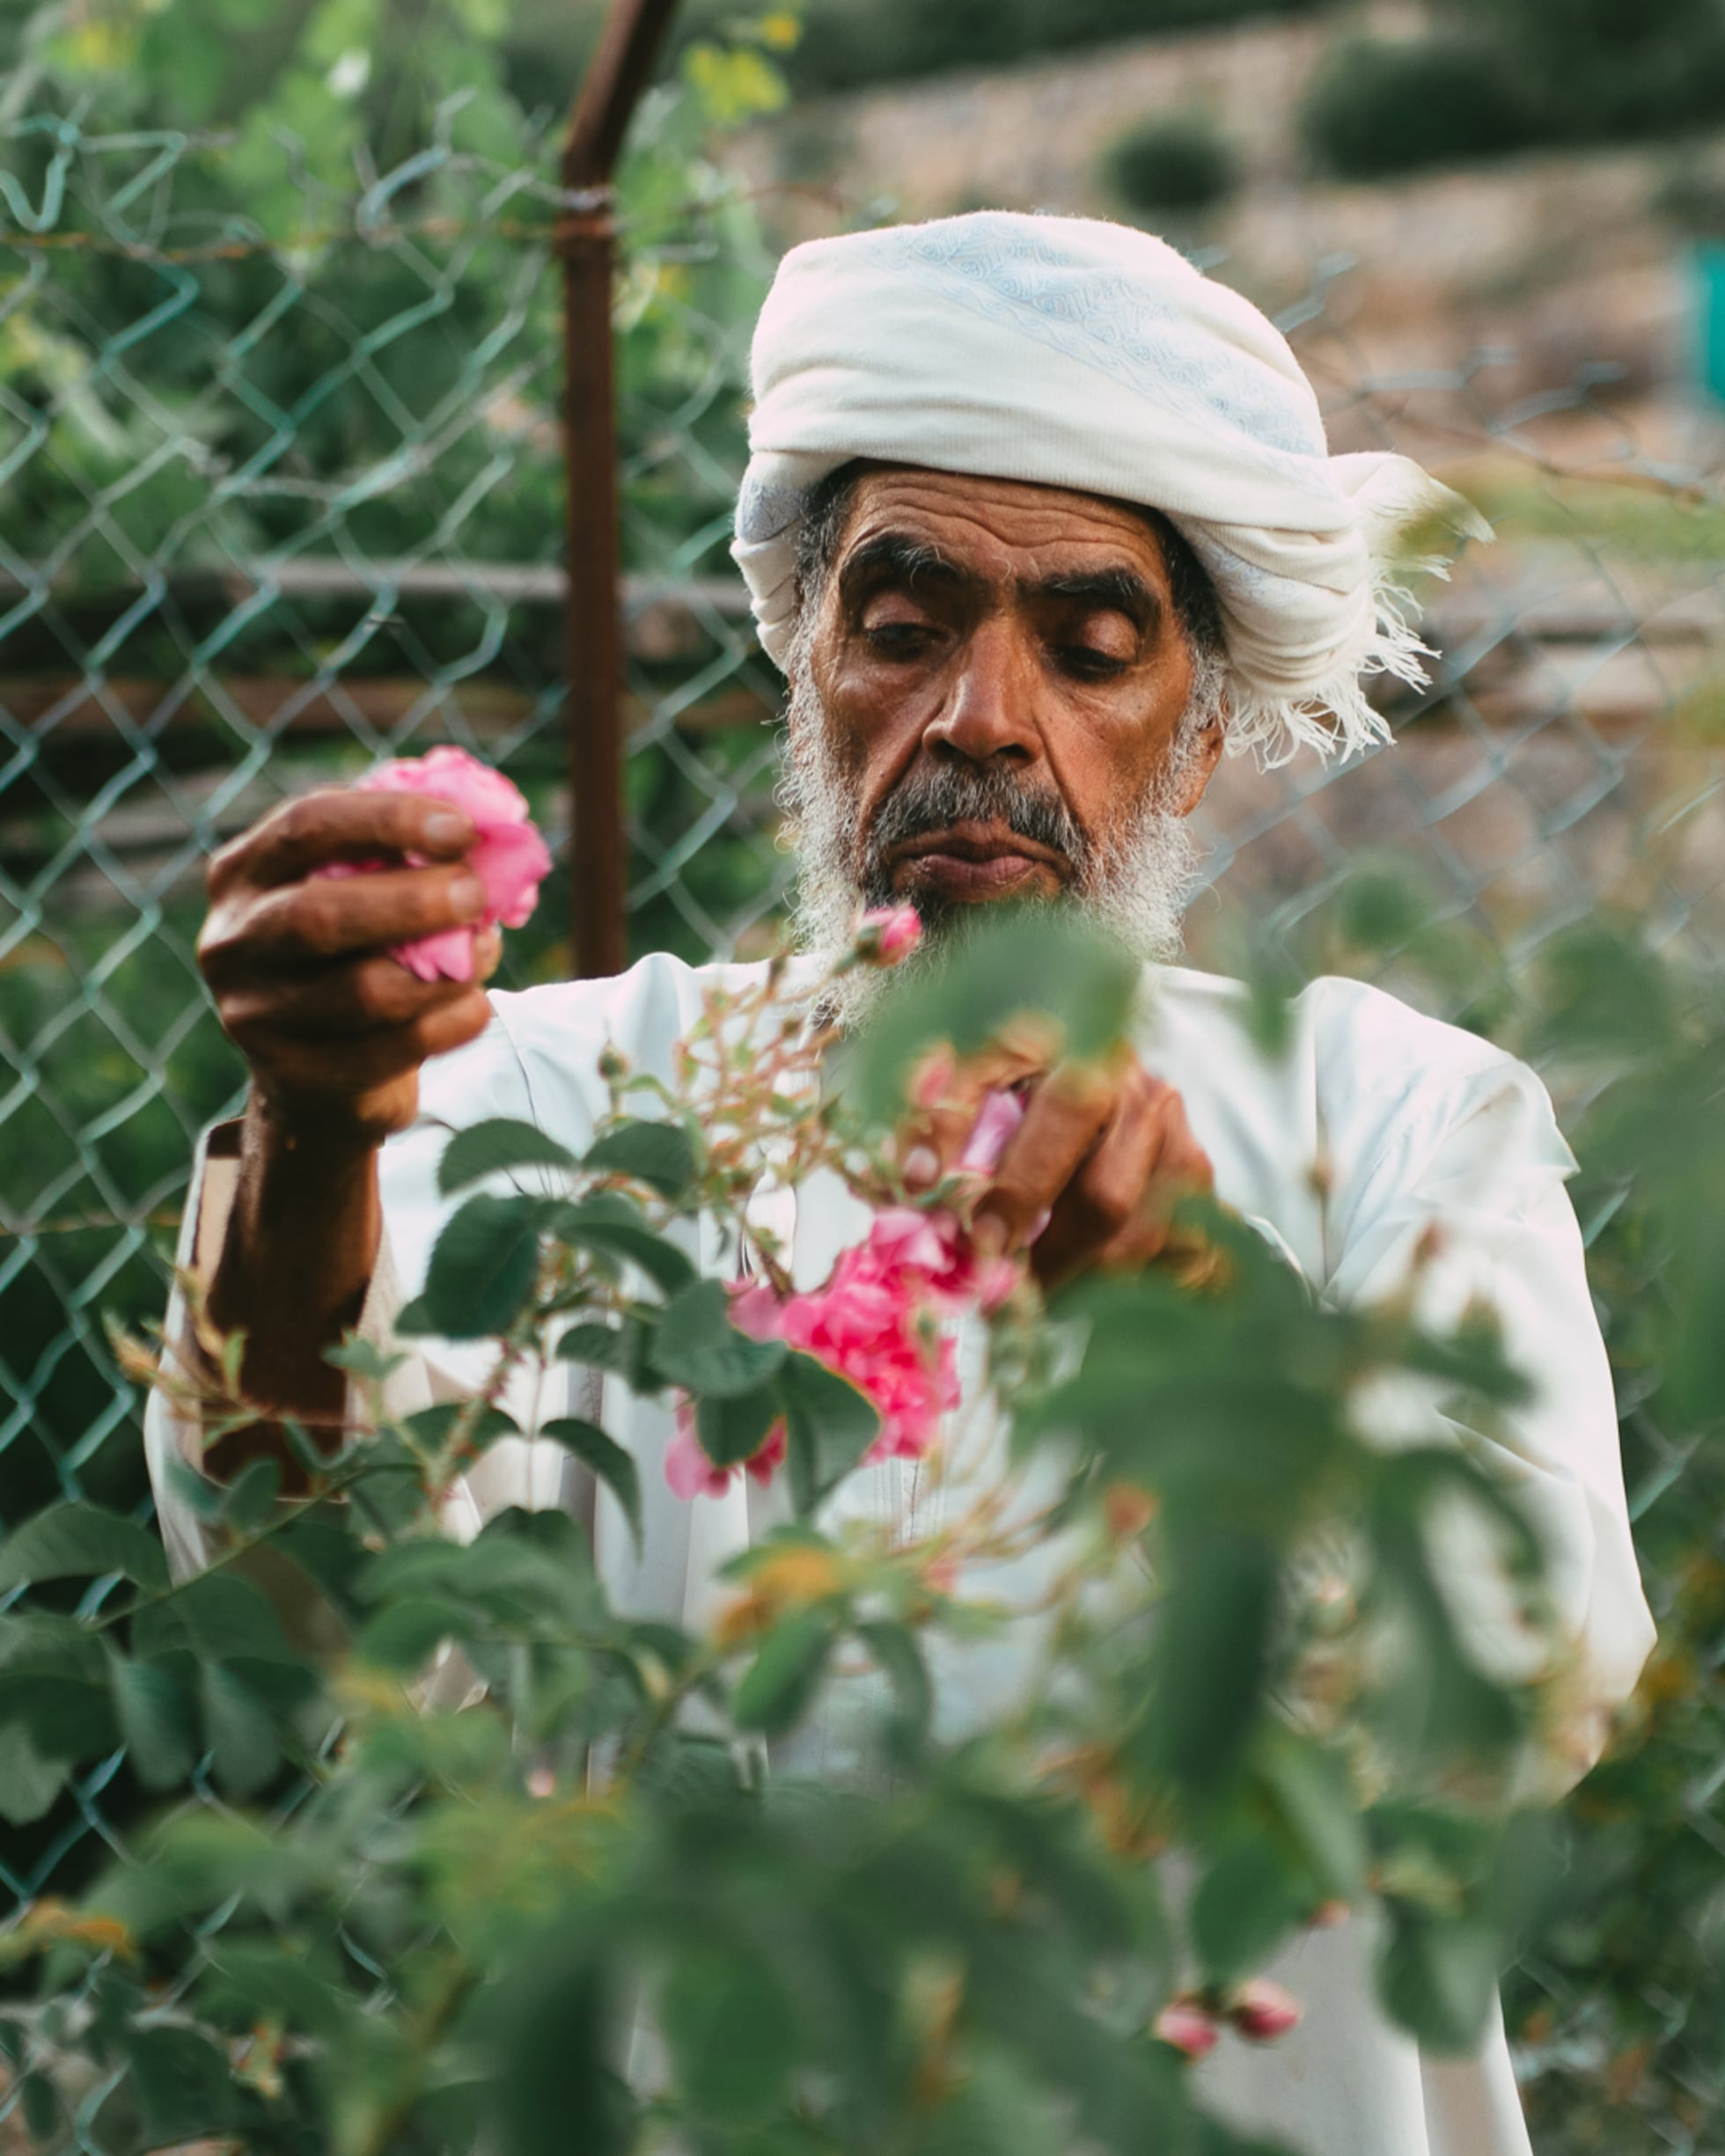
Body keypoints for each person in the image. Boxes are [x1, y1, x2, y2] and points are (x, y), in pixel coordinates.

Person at [145, 213, 1654, 2156]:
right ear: (806, 661)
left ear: (1196, 736)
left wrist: (1199, 1312)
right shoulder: (547, 1093)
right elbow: (309, 1622)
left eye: (1089, 652)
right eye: (903, 626)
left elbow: (1538, 1694)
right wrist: (306, 1135)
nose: (980, 718)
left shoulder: (1397, 1119)